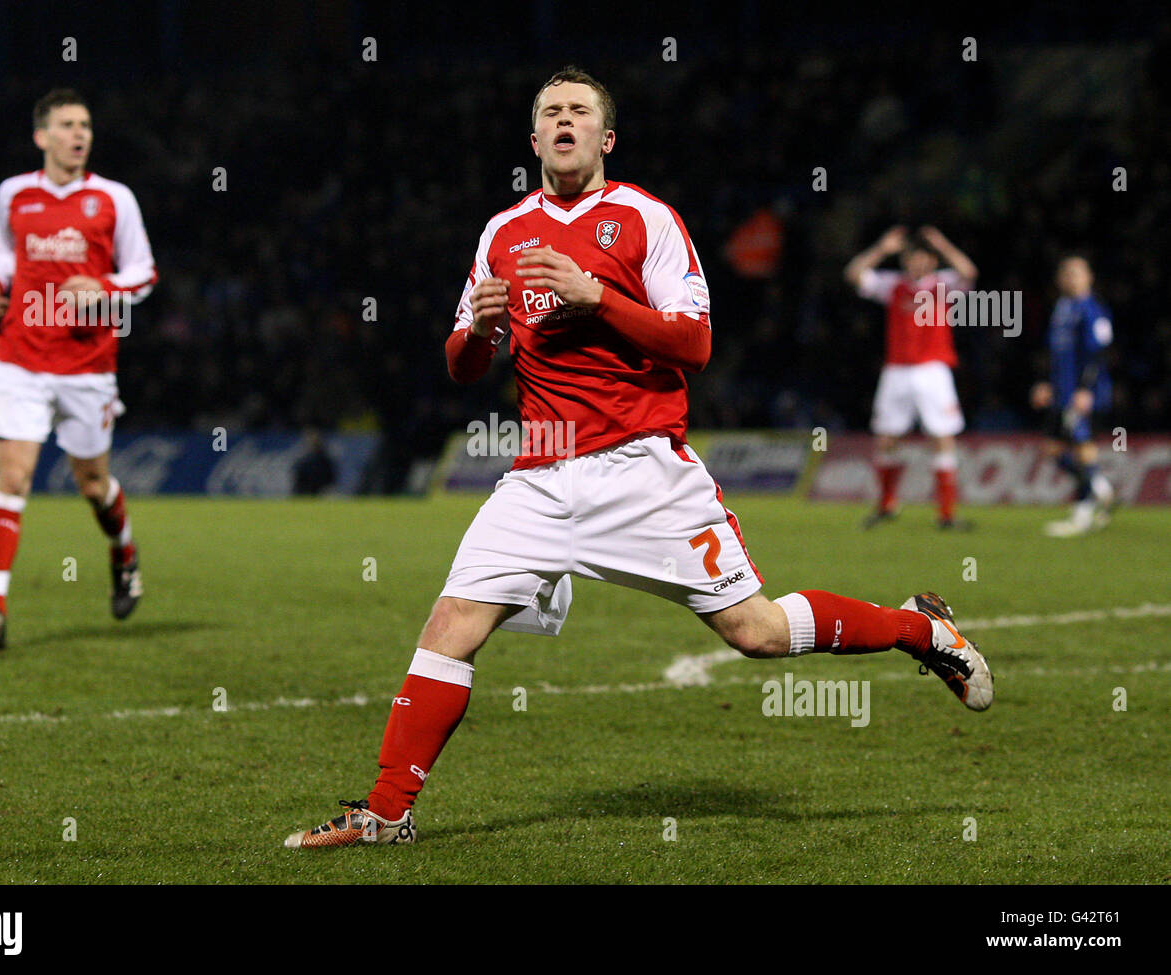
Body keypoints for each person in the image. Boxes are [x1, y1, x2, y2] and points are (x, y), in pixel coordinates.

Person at [285, 68, 992, 849]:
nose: (564, 120)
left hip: (642, 470)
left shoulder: (646, 219)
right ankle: (387, 813)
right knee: (450, 622)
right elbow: (461, 364)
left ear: (604, 137)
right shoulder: (503, 233)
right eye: (549, 111)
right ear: (532, 140)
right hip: (539, 476)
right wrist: (481, 331)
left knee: (754, 631)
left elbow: (695, 343)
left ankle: (919, 632)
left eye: (579, 111)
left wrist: (599, 299)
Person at [0, 88, 158, 650]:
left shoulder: (114, 199)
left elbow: (143, 274)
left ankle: (123, 551)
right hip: (20, 356)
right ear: (41, 135)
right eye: (68, 125)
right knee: (12, 476)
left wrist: (101, 287)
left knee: (93, 484)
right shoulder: (13, 194)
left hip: (86, 364)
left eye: (86, 125)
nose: (80, 134)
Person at [845, 225, 978, 530]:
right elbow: (853, 274)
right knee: (887, 437)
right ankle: (887, 504)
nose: (916, 264)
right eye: (911, 258)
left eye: (922, 258)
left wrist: (943, 244)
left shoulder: (943, 283)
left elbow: (969, 271)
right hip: (897, 371)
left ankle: (946, 514)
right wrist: (881, 247)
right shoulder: (892, 284)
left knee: (942, 437)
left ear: (931, 261)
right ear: (904, 261)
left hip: (933, 371)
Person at [1031, 255, 1115, 536]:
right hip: (1062, 392)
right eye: (1066, 273)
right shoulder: (1061, 308)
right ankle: (1099, 486)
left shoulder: (1093, 310)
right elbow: (1054, 354)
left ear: (1089, 277)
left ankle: (1082, 514)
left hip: (1082, 393)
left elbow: (1099, 353)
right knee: (1052, 450)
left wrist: (1084, 389)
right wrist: (1046, 383)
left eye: (1077, 273)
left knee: (1081, 447)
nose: (1071, 278)